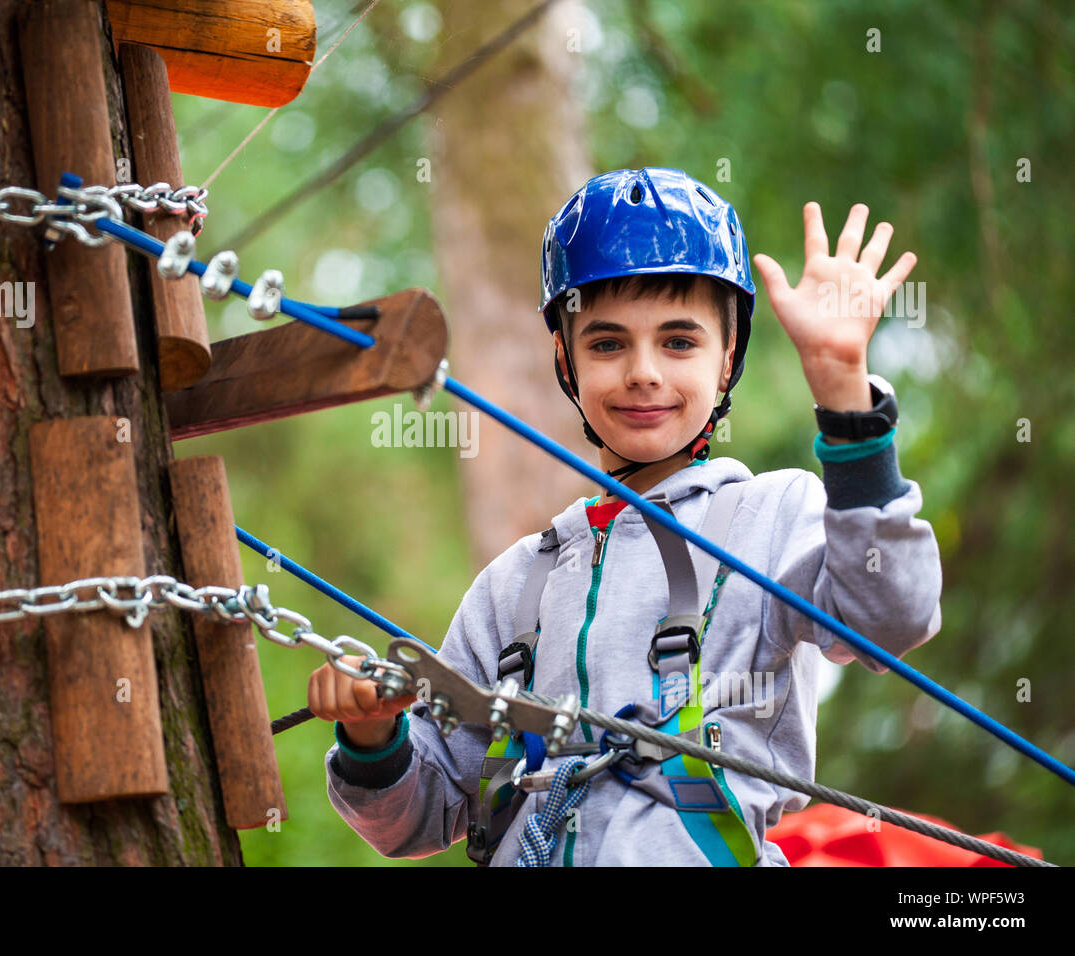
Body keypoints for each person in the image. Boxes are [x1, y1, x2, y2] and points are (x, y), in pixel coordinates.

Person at [306, 167, 942, 866]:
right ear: (565, 358)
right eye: (607, 343)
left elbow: (891, 619)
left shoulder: (772, 518)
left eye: (679, 341)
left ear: (727, 358)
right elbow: (416, 821)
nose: (643, 372)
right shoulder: (514, 585)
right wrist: (371, 738)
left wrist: (847, 400)